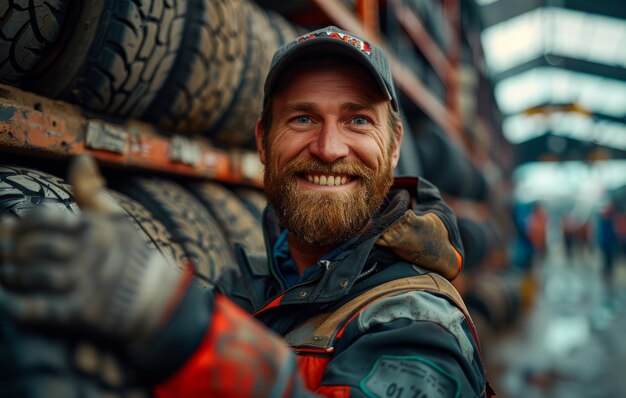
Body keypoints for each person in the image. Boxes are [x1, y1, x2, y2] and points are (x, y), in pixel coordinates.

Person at [0, 26, 491, 397]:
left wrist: (186, 333)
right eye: (302, 118)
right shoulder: (256, 287)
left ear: (394, 145)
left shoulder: (419, 324)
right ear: (262, 140)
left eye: (358, 120)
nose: (328, 147)